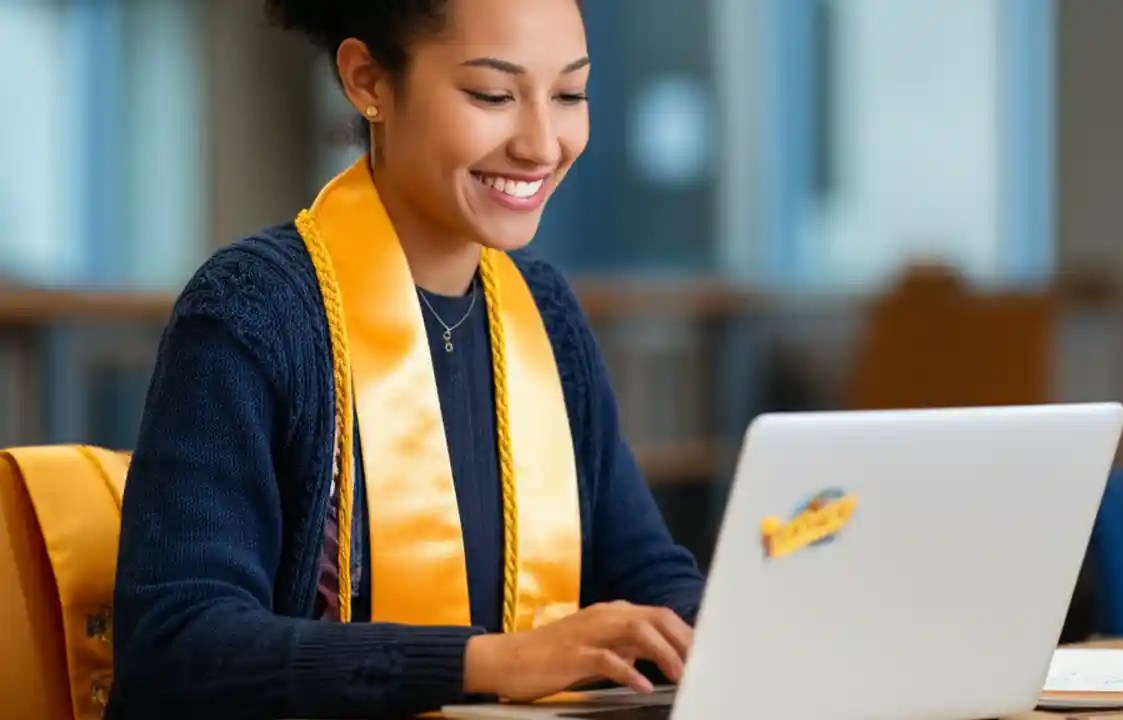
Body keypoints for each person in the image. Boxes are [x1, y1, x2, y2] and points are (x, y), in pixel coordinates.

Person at [106, 0, 706, 717]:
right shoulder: (250, 312)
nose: (542, 143)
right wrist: (486, 662)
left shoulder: (545, 311)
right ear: (368, 82)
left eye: (570, 94)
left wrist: (724, 633)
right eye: (492, 95)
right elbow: (177, 642)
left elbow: (646, 575)